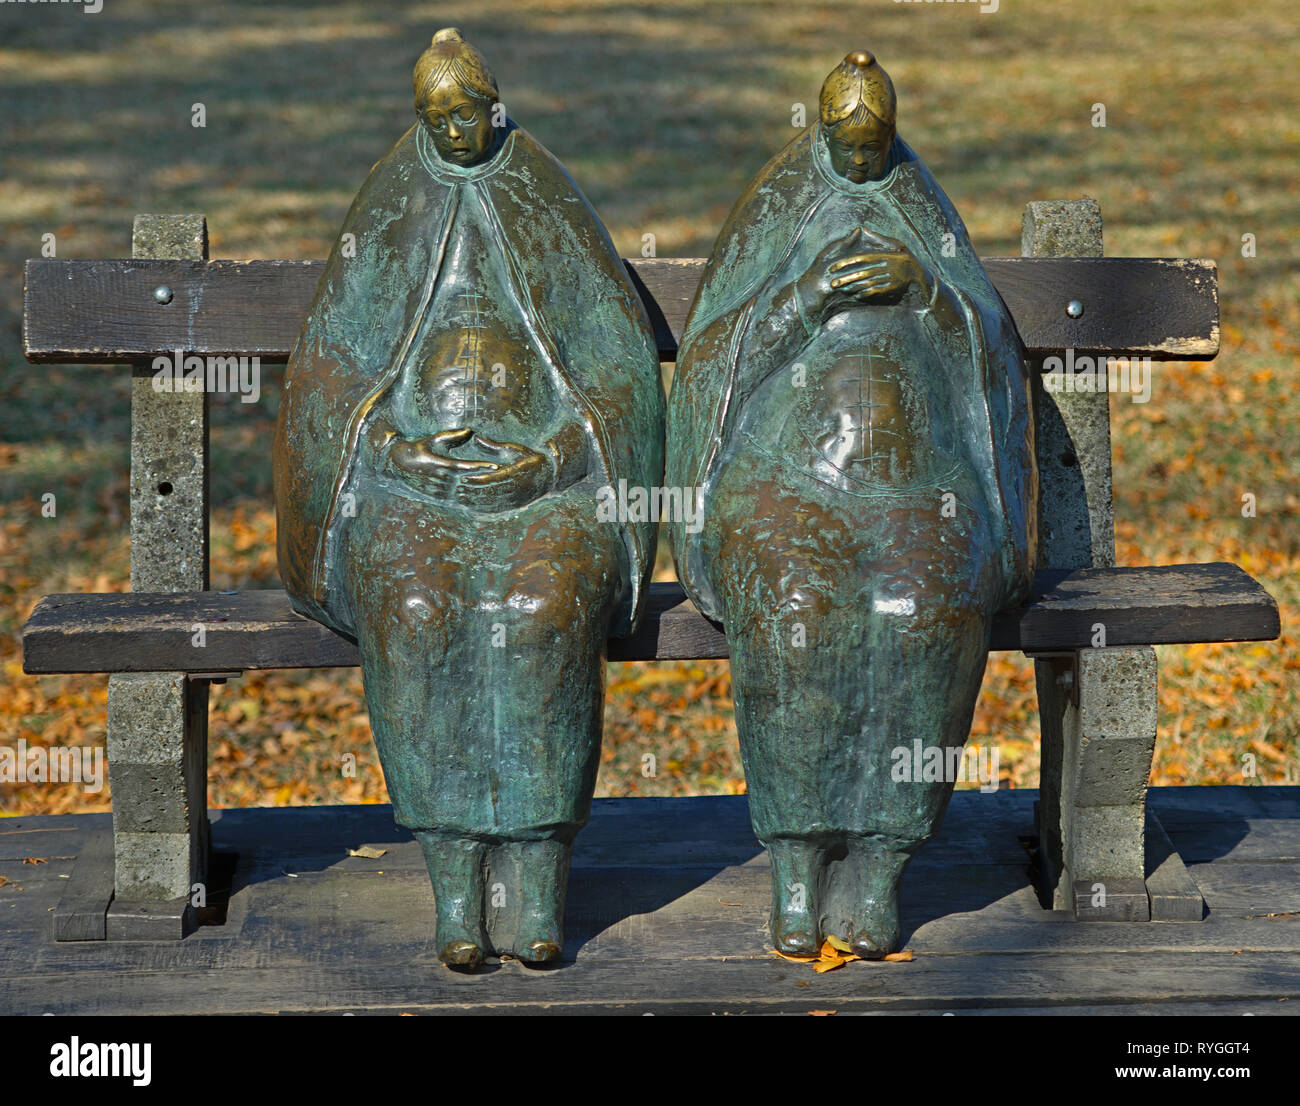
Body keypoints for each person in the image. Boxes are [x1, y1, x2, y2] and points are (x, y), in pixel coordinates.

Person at [274, 29, 665, 969]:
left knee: (542, 611)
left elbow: (614, 355)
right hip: (405, 486)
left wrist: (563, 455)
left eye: (470, 113)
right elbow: (331, 359)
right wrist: (392, 447)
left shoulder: (543, 195)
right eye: (438, 119)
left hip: (546, 483)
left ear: (497, 106)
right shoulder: (391, 202)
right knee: (416, 609)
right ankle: (454, 883)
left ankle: (536, 881)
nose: (457, 132)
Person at [666, 51, 1036, 958]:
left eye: (875, 146)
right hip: (785, 484)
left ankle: (880, 863)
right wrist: (805, 295)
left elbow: (987, 341)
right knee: (796, 615)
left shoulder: (921, 208)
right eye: (845, 145)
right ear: (821, 133)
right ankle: (796, 865)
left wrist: (928, 289)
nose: (862, 163)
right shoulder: (777, 207)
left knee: (926, 611)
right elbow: (714, 356)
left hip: (919, 486)